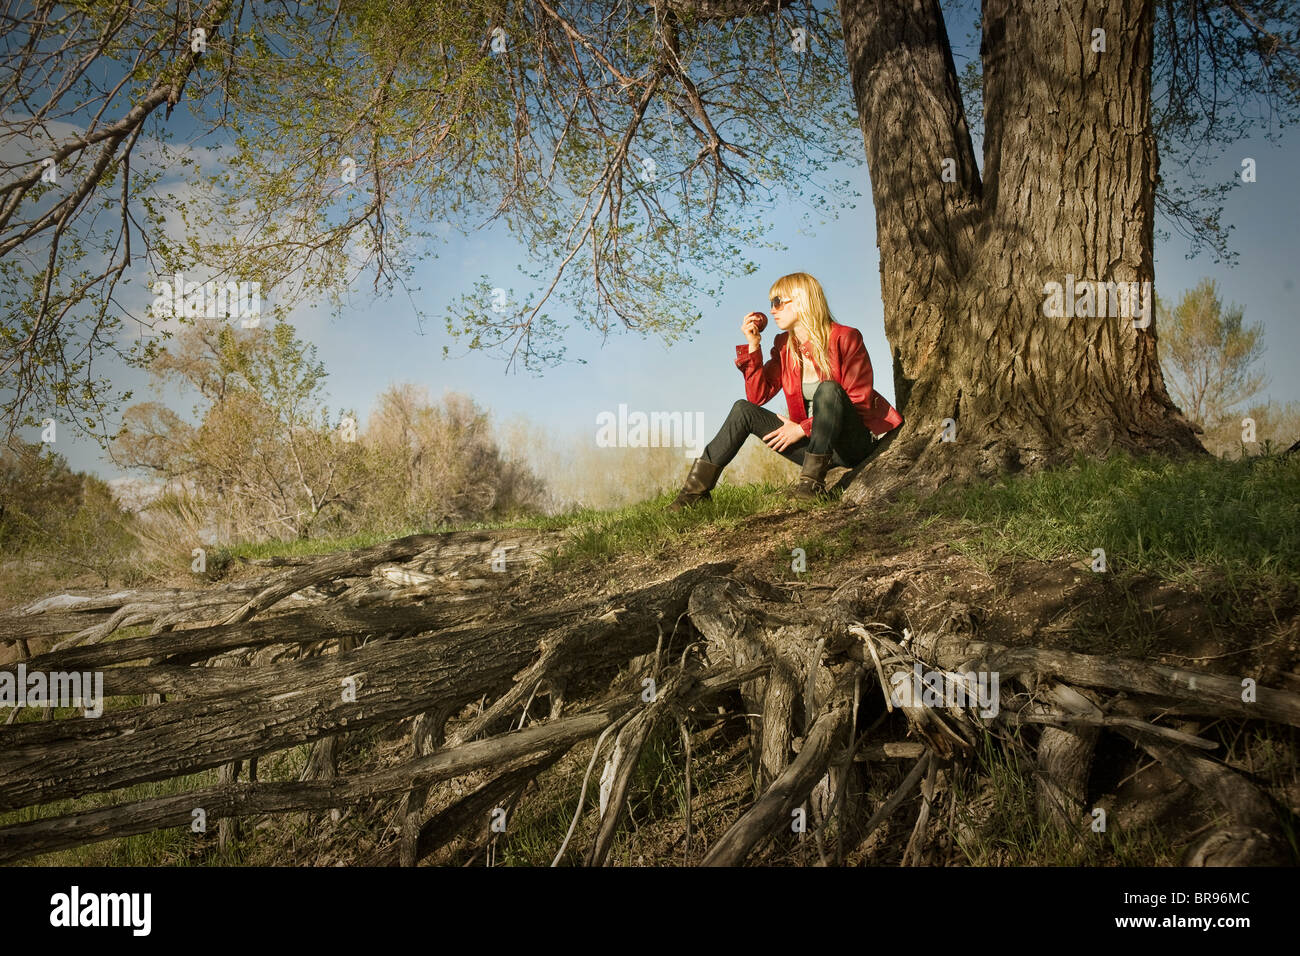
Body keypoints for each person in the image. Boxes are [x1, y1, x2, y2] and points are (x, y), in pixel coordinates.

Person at [669, 271, 903, 509]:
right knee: (743, 410)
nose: (772, 310)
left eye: (778, 302)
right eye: (771, 304)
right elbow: (757, 396)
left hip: (851, 444)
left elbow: (859, 399)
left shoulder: (846, 337)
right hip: (811, 448)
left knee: (828, 389)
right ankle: (692, 495)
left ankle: (811, 487)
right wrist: (753, 346)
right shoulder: (784, 346)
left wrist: (802, 428)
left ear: (801, 300)